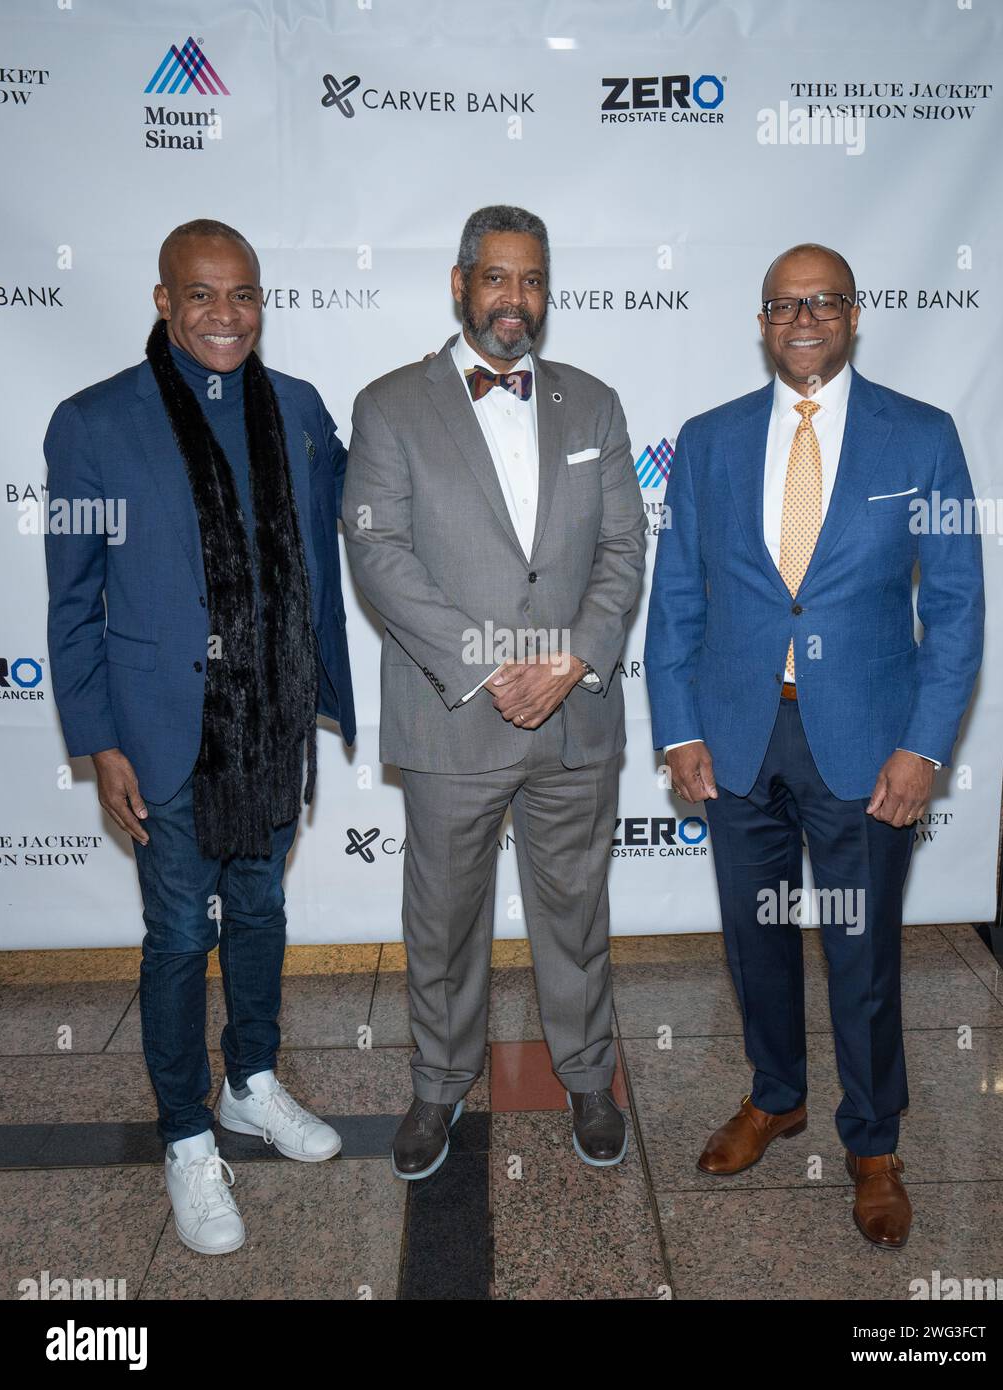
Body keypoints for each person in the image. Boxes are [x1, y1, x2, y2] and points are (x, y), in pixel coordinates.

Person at [644, 243, 984, 1248]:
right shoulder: (707, 441)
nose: (802, 319)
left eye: (821, 302)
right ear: (759, 321)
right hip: (739, 738)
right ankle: (775, 1094)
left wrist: (922, 747)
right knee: (752, 940)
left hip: (864, 744)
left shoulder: (920, 438)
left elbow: (956, 609)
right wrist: (677, 726)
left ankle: (871, 1142)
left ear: (851, 313)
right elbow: (676, 602)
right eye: (783, 305)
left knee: (862, 954)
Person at [44, 219, 356, 1254]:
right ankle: (186, 1136)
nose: (225, 316)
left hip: (270, 724)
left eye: (243, 296)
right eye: (202, 296)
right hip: (164, 730)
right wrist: (97, 740)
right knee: (182, 934)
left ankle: (250, 1081)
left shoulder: (301, 411)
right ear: (163, 301)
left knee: (260, 911)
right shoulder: (91, 423)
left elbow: (375, 505)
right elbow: (70, 599)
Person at [343, 205, 646, 1179]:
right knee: (441, 922)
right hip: (453, 714)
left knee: (574, 913)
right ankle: (437, 1085)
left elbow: (620, 548)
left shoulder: (592, 404)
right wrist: (492, 663)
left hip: (573, 713)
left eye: (532, 281)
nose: (515, 300)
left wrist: (568, 659)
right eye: (497, 279)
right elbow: (378, 553)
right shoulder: (389, 406)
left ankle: (589, 1076)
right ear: (459, 282)